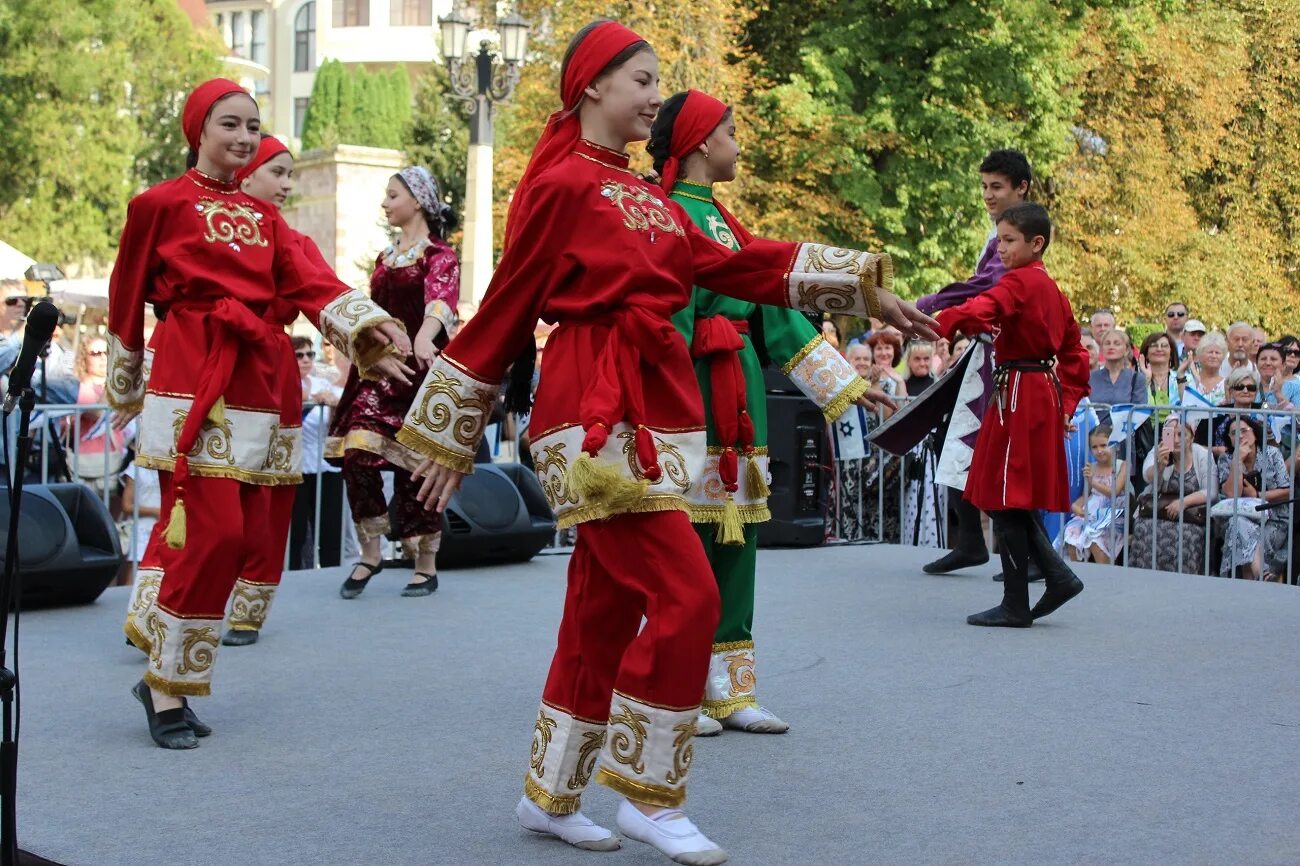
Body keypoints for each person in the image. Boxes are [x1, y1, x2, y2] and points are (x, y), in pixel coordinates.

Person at [396, 20, 934, 863]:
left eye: (657, 84)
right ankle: (650, 794)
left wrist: (863, 287)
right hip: (591, 406)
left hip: (660, 407)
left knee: (600, 613)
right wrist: (449, 430)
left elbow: (747, 263)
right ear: (591, 88)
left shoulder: (651, 198)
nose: (655, 96)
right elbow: (507, 302)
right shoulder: (560, 186)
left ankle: (552, 793)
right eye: (642, 80)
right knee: (688, 596)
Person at [108, 78, 412, 750]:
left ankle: (172, 678)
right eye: (230, 124)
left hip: (257, 380)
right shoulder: (156, 204)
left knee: (239, 539)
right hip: (194, 378)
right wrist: (126, 385)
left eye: (253, 126)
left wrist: (369, 334)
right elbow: (126, 293)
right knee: (208, 533)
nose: (243, 137)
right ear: (199, 129)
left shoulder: (268, 221)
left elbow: (311, 284)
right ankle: (164, 686)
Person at [649, 88, 892, 738]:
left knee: (738, 539)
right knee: (687, 546)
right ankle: (679, 689)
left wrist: (843, 384)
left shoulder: (726, 221)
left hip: (741, 398)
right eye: (731, 130)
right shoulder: (667, 216)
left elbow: (777, 310)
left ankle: (730, 691)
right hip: (691, 393)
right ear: (702, 142)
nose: (739, 142)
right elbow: (665, 323)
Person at [935, 203, 1090, 626]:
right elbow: (1075, 353)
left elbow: (981, 307)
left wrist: (937, 322)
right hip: (1035, 391)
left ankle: (1024, 597)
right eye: (999, 239)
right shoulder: (1053, 290)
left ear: (1035, 244)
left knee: (1004, 493)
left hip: (1019, 391)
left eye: (1008, 240)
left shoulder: (1020, 282)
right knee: (1005, 494)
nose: (999, 248)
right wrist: (1067, 402)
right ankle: (1045, 582)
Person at [328, 166, 460, 600]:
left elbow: (440, 302)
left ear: (417, 201)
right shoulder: (385, 259)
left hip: (421, 373)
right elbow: (372, 314)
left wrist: (424, 338)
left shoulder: (439, 255)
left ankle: (425, 562)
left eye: (392, 195)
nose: (385, 203)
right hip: (379, 371)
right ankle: (371, 550)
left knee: (416, 471)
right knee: (357, 454)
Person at [221, 132, 327, 647]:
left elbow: (324, 291)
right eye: (277, 172)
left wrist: (374, 334)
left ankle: (248, 609)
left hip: (270, 365)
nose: (286, 185)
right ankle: (164, 602)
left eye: (290, 175)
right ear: (245, 172)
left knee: (267, 494)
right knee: (198, 489)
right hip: (215, 362)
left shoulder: (296, 243)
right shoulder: (210, 230)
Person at [916, 148, 1034, 576]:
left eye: (996, 187)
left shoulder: (1021, 235)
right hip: (988, 353)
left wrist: (930, 307)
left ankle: (1030, 557)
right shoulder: (1001, 234)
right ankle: (970, 540)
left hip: (1008, 361)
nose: (987, 195)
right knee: (958, 437)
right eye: (984, 186)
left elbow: (984, 288)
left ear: (1021, 188)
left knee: (999, 454)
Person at [288, 335, 349, 570]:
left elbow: (336, 426)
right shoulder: (283, 386)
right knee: (297, 529)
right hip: (297, 467)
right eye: (299, 355)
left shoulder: (324, 384)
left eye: (310, 354)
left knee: (330, 524)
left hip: (325, 466)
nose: (306, 359)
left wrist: (332, 403)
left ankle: (332, 571)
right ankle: (292, 572)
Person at [1129, 415, 1217, 575]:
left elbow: (1211, 491)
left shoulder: (1203, 455)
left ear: (1191, 438)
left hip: (1190, 515)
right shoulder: (1158, 451)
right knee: (1143, 527)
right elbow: (1148, 479)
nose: (1176, 440)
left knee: (1189, 534)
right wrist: (1159, 466)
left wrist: (1183, 502)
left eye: (1181, 435)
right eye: (1170, 434)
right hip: (1158, 513)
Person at [1215, 417, 1290, 580]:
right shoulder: (1226, 459)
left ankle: (1251, 586)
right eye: (1234, 433)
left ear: (1255, 434)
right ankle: (1262, 576)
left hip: (1274, 519)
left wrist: (1257, 495)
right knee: (1239, 524)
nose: (1240, 436)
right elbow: (1231, 494)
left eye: (1244, 431)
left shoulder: (1272, 454)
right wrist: (1237, 461)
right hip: (1239, 517)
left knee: (1245, 537)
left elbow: (1286, 490)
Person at [1062, 426, 1127, 564]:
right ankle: (1077, 574)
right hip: (1091, 512)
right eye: (1094, 447)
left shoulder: (1122, 465)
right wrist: (1076, 506)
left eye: (1104, 445)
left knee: (1095, 538)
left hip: (1112, 513)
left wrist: (1093, 480)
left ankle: (1105, 576)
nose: (1099, 451)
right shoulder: (1091, 467)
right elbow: (1087, 495)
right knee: (1071, 532)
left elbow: (1114, 492)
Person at [1198, 367, 1262, 457]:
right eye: (1239, 387)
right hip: (1219, 465)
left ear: (1256, 392)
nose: (1245, 391)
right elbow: (1197, 446)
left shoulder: (1263, 412)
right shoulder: (1216, 413)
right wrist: (1215, 450)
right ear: (1231, 391)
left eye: (1251, 388)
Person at [1189, 330, 1227, 405]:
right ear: (1200, 355)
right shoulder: (1190, 381)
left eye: (1217, 353)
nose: (1213, 356)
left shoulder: (1227, 384)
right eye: (1210, 352)